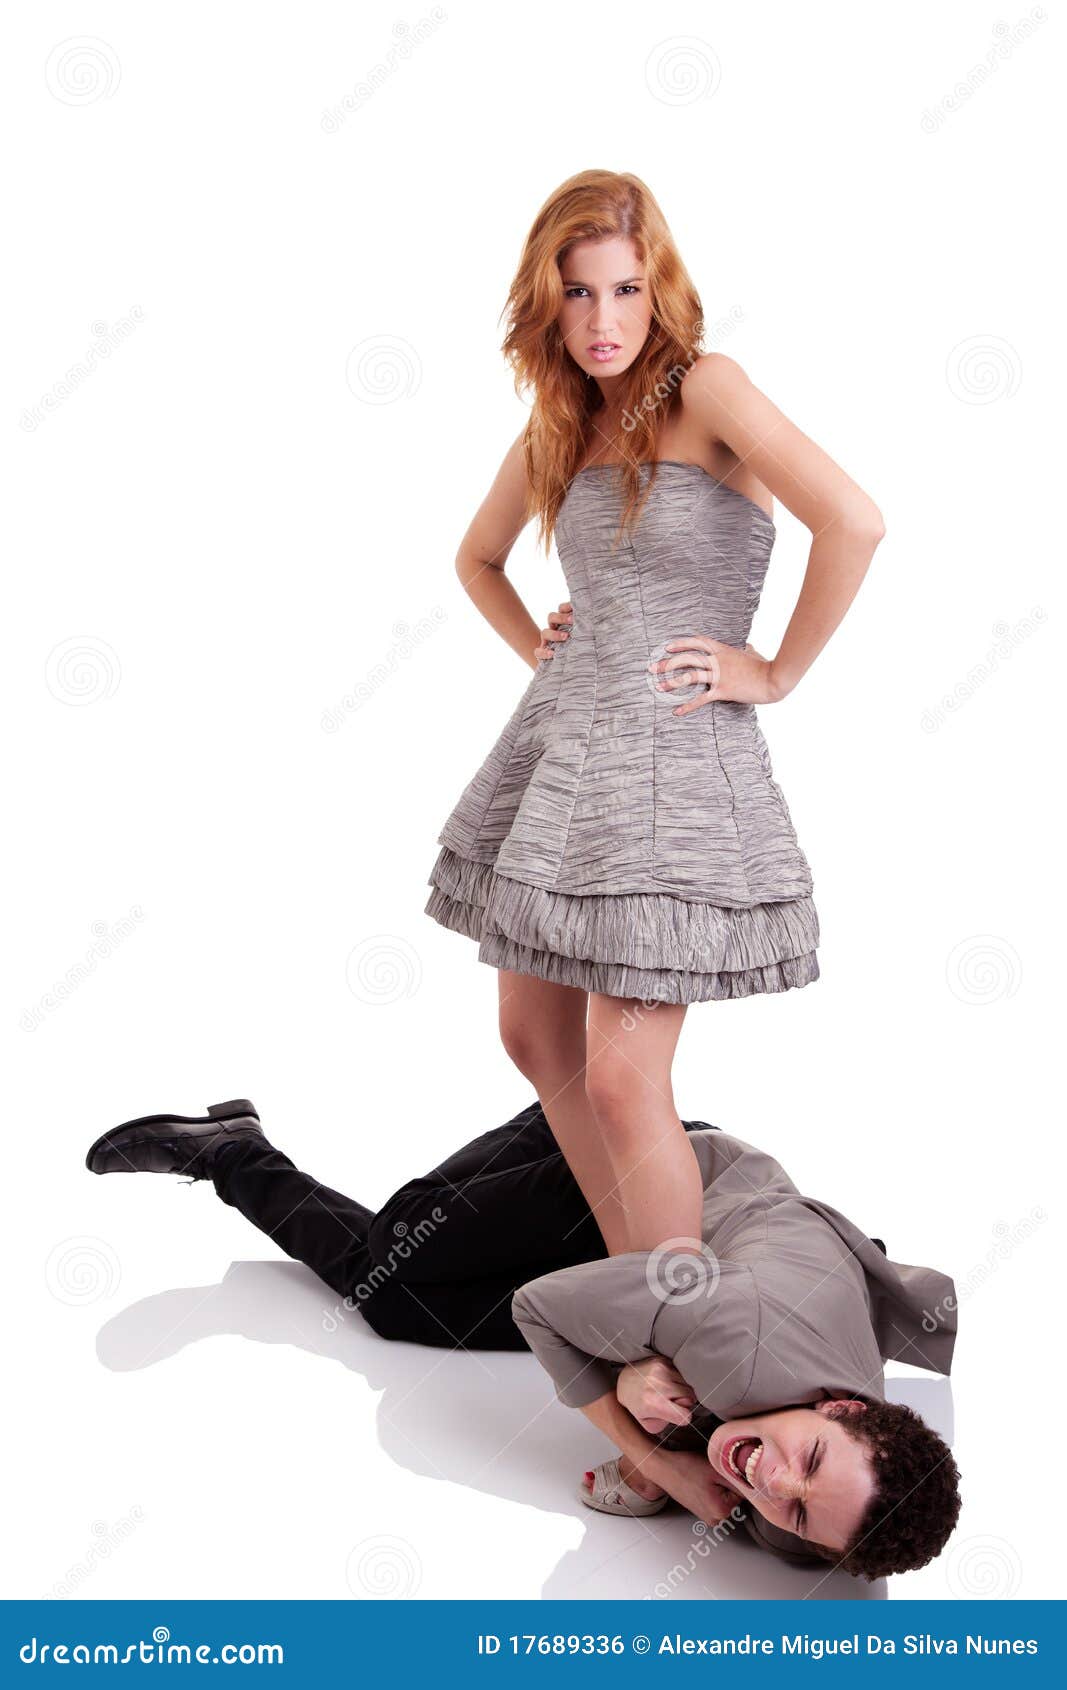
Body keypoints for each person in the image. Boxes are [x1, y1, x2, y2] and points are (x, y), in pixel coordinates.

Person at [423, 168, 886, 1260]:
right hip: (559, 759)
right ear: (547, 305)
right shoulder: (558, 428)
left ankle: (687, 1350)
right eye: (577, 295)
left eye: (624, 290)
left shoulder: (708, 389)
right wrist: (544, 642)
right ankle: (637, 1308)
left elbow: (853, 522)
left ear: (658, 288)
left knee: (627, 1080)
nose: (602, 321)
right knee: (536, 1041)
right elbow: (474, 561)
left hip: (670, 769)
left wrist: (770, 669)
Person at [85, 1095, 960, 1582]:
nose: (769, 1481)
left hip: (670, 1265)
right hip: (635, 1159)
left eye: (797, 1511)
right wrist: (645, 1444)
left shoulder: (821, 1501)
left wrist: (734, 1475)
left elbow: (789, 1504)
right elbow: (541, 1307)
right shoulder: (737, 1334)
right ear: (845, 1406)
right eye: (804, 1461)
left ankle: (235, 1145)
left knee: (393, 1309)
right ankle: (231, 1156)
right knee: (399, 1247)